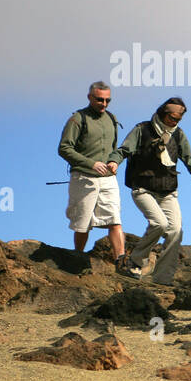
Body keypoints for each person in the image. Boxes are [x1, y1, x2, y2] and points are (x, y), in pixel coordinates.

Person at [105, 96, 191, 286]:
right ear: (163, 114)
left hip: (168, 190)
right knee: (159, 224)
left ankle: (162, 279)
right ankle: (134, 262)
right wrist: (114, 161)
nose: (175, 122)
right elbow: (124, 150)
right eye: (172, 118)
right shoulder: (142, 129)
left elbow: (189, 160)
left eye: (179, 119)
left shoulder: (178, 135)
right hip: (142, 188)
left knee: (175, 231)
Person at [57, 81, 127, 271]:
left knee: (114, 219)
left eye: (107, 100)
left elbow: (115, 150)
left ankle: (121, 262)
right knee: (82, 223)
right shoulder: (78, 119)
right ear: (90, 97)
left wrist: (114, 161)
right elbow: (64, 148)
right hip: (83, 176)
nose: (104, 104)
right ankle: (77, 257)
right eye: (99, 100)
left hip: (108, 178)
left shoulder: (112, 118)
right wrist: (91, 163)